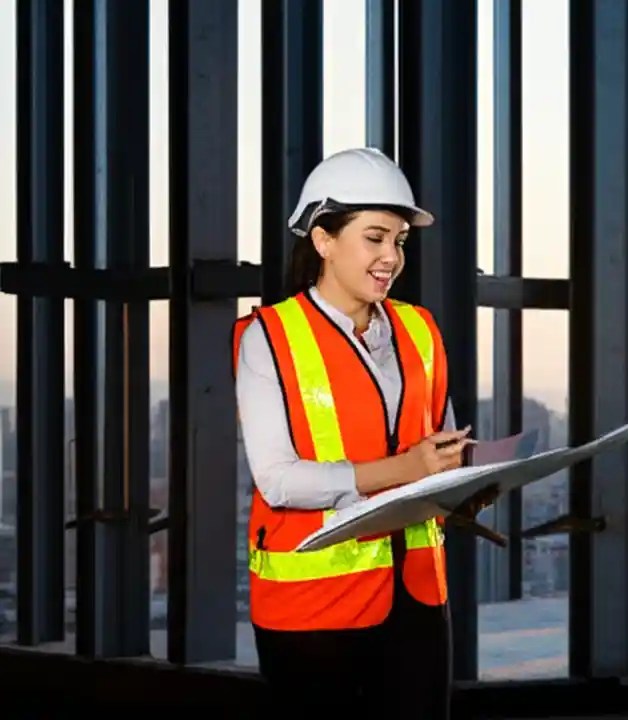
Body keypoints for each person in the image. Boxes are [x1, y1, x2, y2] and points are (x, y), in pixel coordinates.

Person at [232, 146, 473, 717]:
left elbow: (439, 442)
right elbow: (278, 482)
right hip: (311, 613)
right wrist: (405, 471)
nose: (391, 256)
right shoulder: (269, 337)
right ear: (323, 240)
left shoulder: (420, 330)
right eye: (374, 237)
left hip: (416, 599)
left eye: (399, 241)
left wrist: (468, 478)